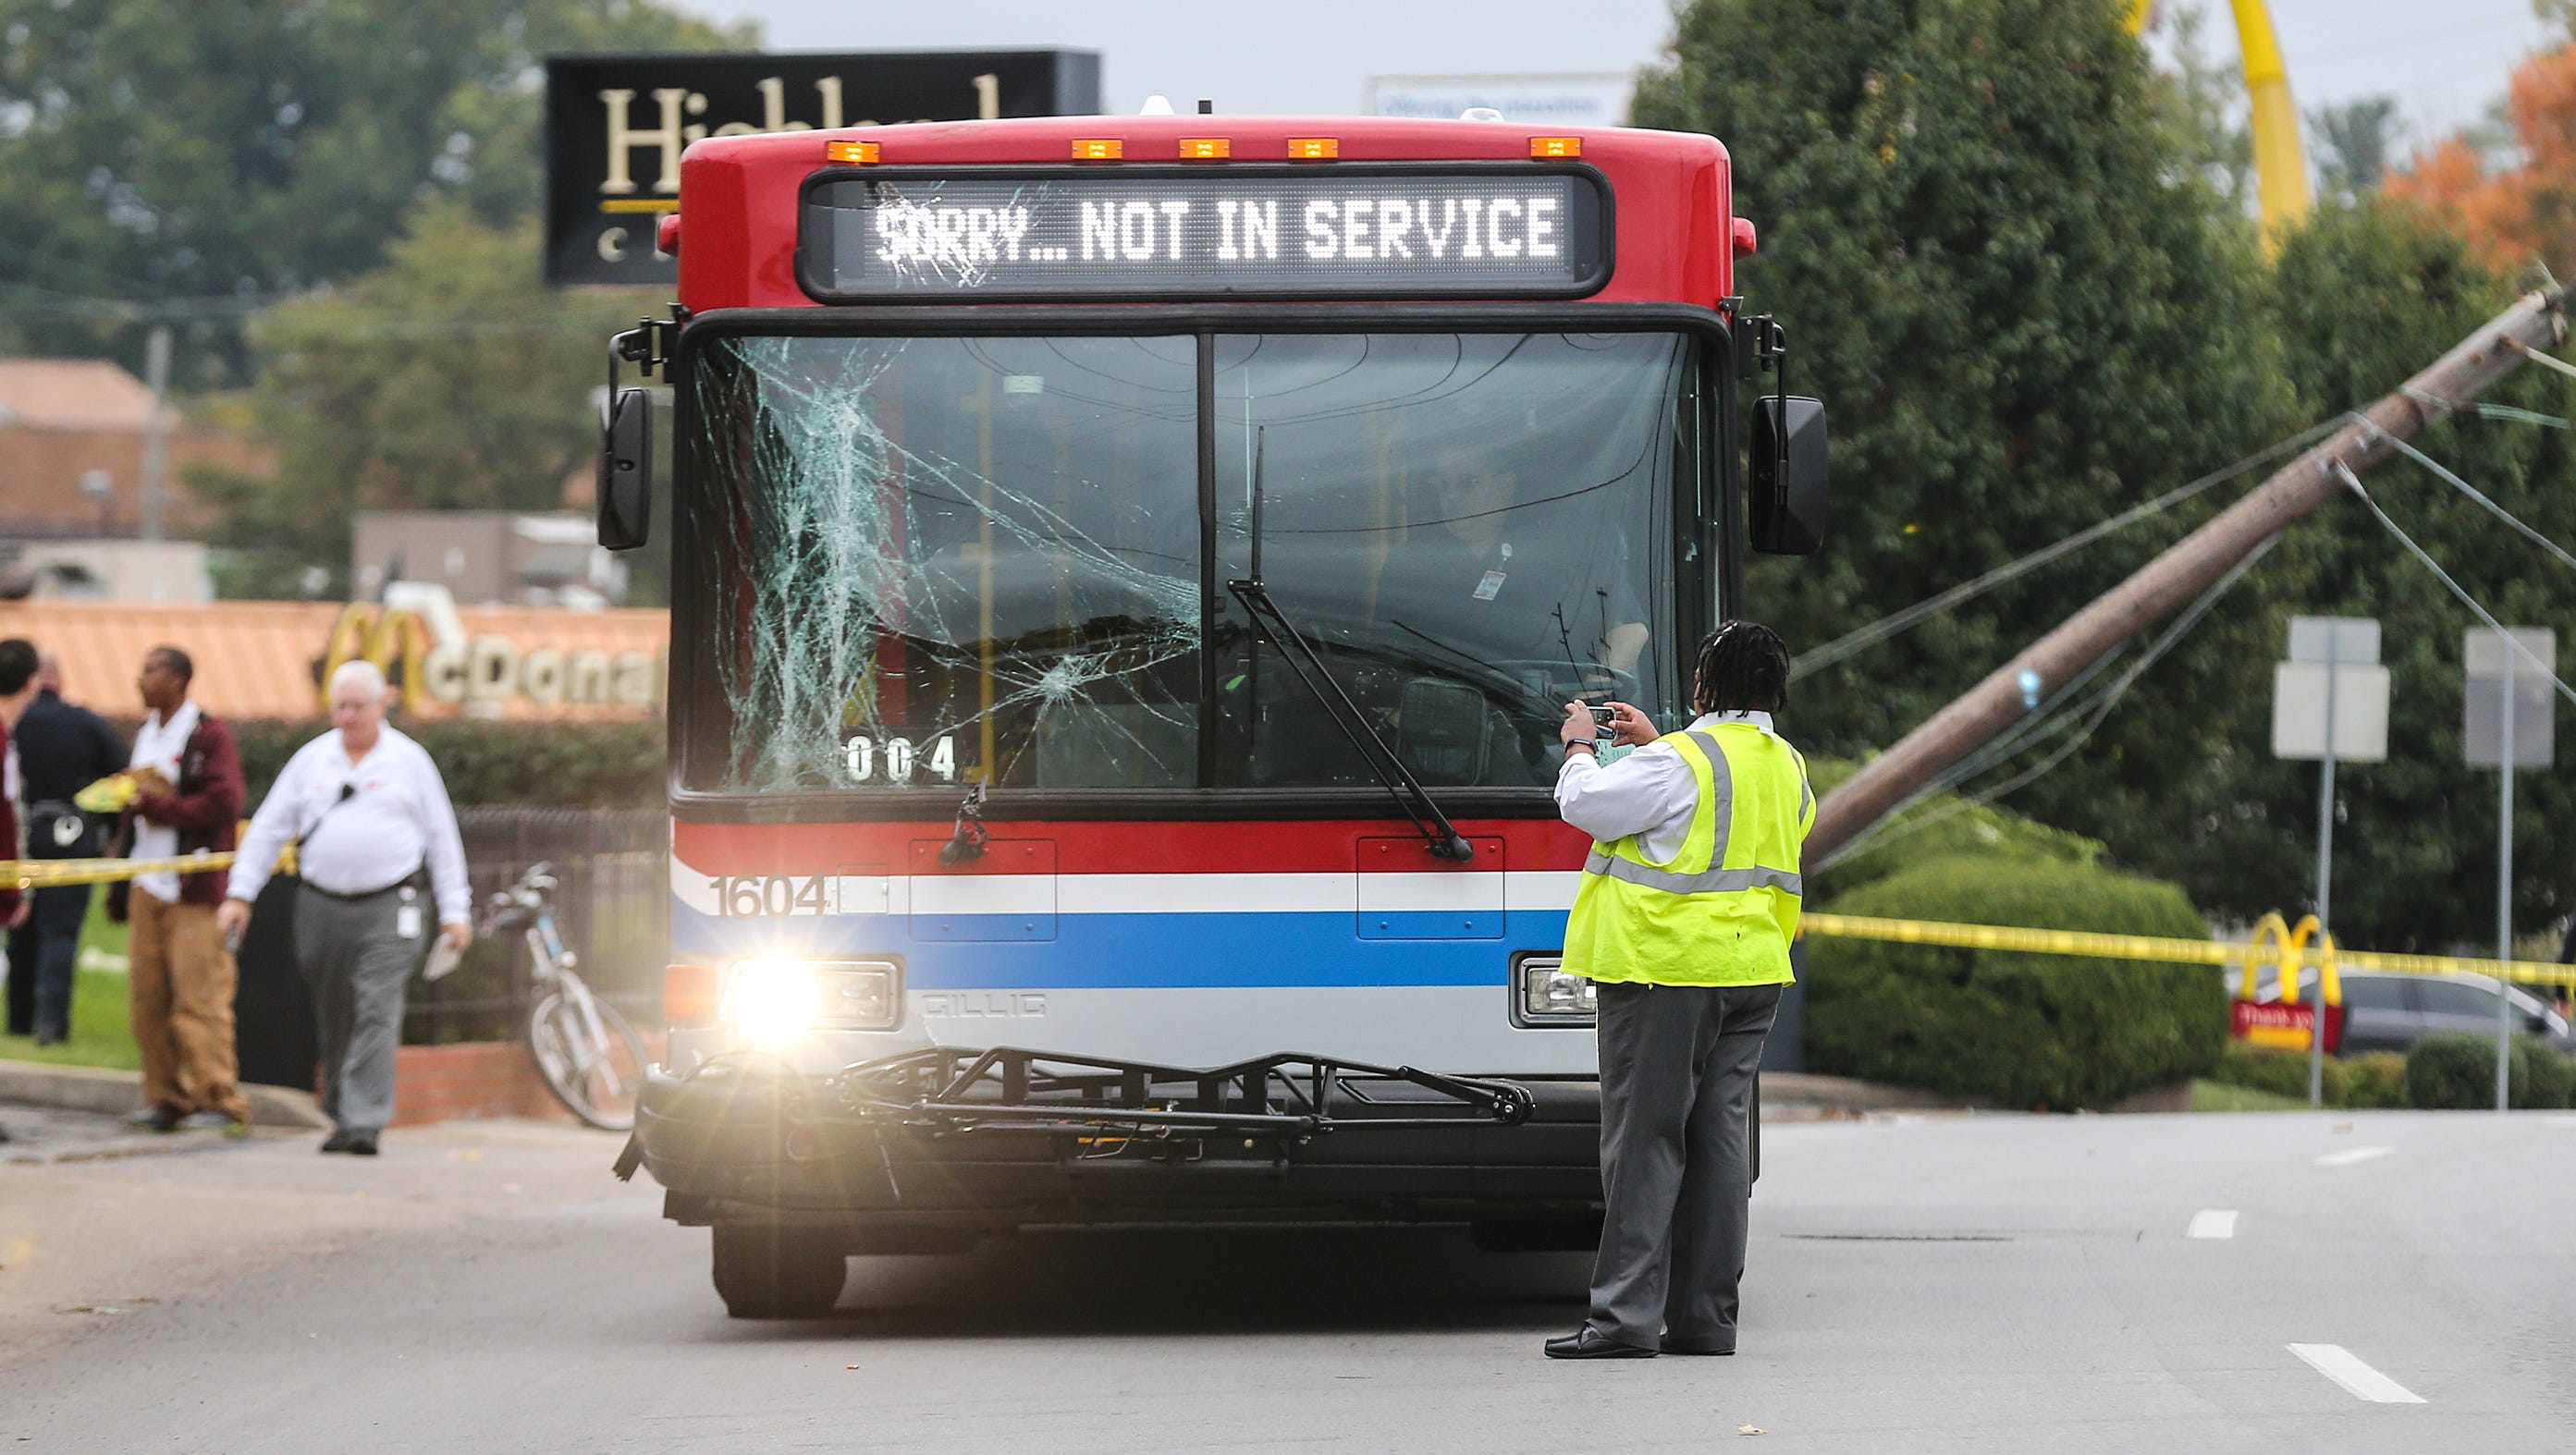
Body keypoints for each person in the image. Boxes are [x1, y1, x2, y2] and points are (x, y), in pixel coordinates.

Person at [1541, 620, 1813, 1360]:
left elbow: (1587, 806)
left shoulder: (1681, 761)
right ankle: (1705, 1321)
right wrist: (1655, 741)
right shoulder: (1787, 764)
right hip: (1754, 974)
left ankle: (1623, 1321)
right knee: (1720, 1143)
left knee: (1643, 1142)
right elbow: (1718, 817)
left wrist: (1580, 745)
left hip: (1665, 972)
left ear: (1707, 685)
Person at [220, 661, 471, 1155]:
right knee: (335, 1010)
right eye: (340, 705)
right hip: (320, 905)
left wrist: (455, 910)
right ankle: (340, 1107)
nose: (349, 715)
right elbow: (269, 829)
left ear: (382, 706)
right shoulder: (312, 760)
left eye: (359, 706)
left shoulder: (408, 761)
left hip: (390, 905)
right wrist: (240, 894)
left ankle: (364, 1120)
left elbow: (443, 838)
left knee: (377, 1007)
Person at [113, 645, 251, 1133]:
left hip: (193, 887)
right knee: (148, 999)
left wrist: (155, 806)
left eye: (151, 669)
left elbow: (224, 802)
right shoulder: (146, 733)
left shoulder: (208, 735)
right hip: (147, 881)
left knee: (199, 999)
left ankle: (220, 1098)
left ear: (178, 679)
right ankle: (167, 1096)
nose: (141, 678)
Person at [5, 650, 129, 1045]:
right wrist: (110, 832)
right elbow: (121, 780)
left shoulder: (14, 726)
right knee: (60, 934)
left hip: (21, 841)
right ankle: (53, 1026)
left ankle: (18, 1022)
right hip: (71, 838)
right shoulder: (86, 723)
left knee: (19, 933)